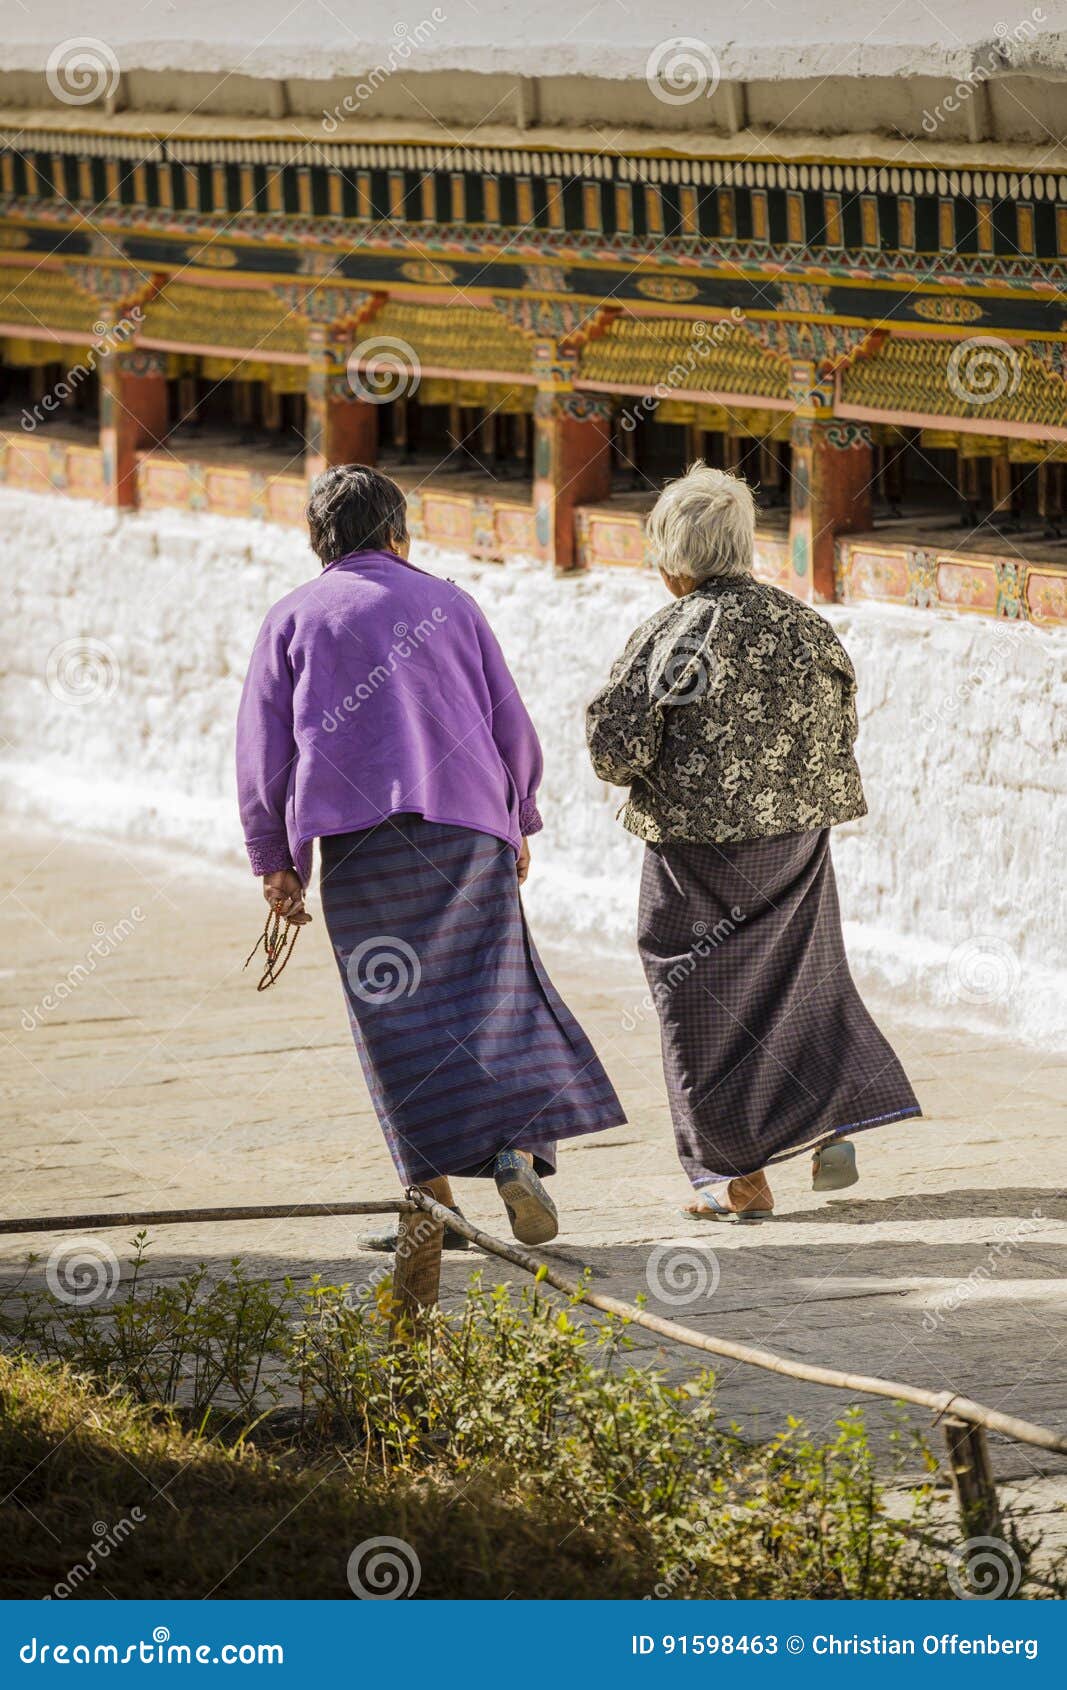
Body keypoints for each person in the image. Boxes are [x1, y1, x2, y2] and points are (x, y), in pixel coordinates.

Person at [236, 464, 624, 1248]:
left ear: (318, 542)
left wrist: (274, 857)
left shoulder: (294, 617)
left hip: (358, 847)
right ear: (398, 534)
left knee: (395, 1021)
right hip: (467, 831)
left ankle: (433, 1210)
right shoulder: (450, 602)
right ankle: (514, 1152)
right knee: (494, 999)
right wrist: (517, 819)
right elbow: (508, 722)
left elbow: (263, 750)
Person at [586, 463, 920, 1221]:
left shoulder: (670, 633)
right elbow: (840, 726)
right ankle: (825, 1121)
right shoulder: (804, 623)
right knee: (801, 983)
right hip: (795, 843)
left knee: (697, 1002)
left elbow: (615, 752)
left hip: (694, 857)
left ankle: (739, 1178)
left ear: (674, 559)